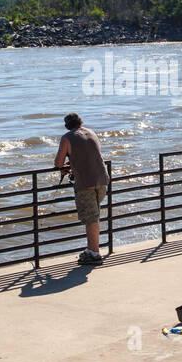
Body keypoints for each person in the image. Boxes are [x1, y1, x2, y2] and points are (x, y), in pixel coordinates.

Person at [54, 112, 108, 266]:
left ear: (66, 126)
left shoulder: (67, 137)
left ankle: (94, 253)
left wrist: (65, 166)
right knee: (94, 216)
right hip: (102, 179)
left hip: (86, 182)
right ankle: (91, 249)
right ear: (80, 122)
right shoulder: (91, 132)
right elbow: (88, 156)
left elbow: (58, 162)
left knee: (91, 218)